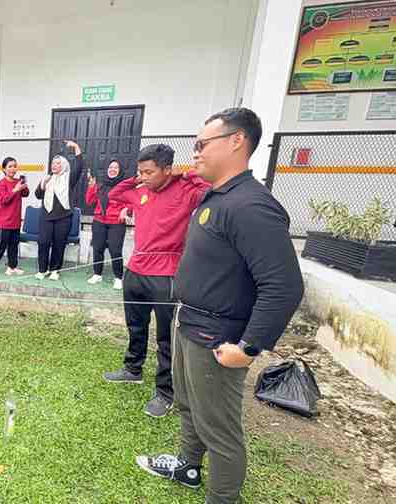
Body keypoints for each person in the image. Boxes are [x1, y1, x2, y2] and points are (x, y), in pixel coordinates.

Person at [136, 108, 304, 504]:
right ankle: (188, 466)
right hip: (190, 322)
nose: (194, 154)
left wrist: (249, 347)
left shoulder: (250, 206)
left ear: (236, 141)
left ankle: (222, 498)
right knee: (189, 405)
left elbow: (283, 285)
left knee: (221, 428)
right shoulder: (220, 195)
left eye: (201, 145)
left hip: (218, 335)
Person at [102, 144, 210, 418]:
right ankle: (132, 369)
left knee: (166, 337)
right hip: (136, 270)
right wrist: (135, 178)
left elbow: (211, 193)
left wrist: (190, 176)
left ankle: (165, 391)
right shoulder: (140, 192)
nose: (144, 176)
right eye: (141, 172)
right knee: (135, 325)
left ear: (167, 169)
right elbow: (115, 194)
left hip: (166, 275)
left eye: (149, 172)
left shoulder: (186, 191)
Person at [34, 141, 84, 281]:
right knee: (43, 242)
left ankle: (55, 269)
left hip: (64, 217)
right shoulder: (47, 178)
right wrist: (43, 184)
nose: (54, 166)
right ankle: (42, 269)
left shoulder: (68, 178)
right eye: (53, 163)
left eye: (57, 163)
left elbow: (79, 167)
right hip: (46, 216)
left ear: (64, 166)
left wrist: (76, 147)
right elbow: (38, 195)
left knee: (59, 244)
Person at [84, 159, 129, 289]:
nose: (112, 169)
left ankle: (118, 277)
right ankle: (97, 274)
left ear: (120, 171)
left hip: (117, 222)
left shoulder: (124, 185)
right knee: (98, 249)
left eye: (116, 167)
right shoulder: (101, 184)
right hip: (99, 221)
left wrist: (126, 210)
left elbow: (130, 202)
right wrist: (91, 187)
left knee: (115, 250)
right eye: (110, 167)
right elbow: (89, 201)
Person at [0, 156, 29, 276]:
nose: (13, 168)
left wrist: (23, 185)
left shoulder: (17, 182)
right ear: (4, 169)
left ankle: (12, 267)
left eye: (15, 166)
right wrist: (15, 190)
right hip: (3, 221)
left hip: (15, 220)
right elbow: (4, 200)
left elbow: (25, 194)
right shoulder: (1, 184)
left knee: (14, 244)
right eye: (10, 166)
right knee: (1, 244)